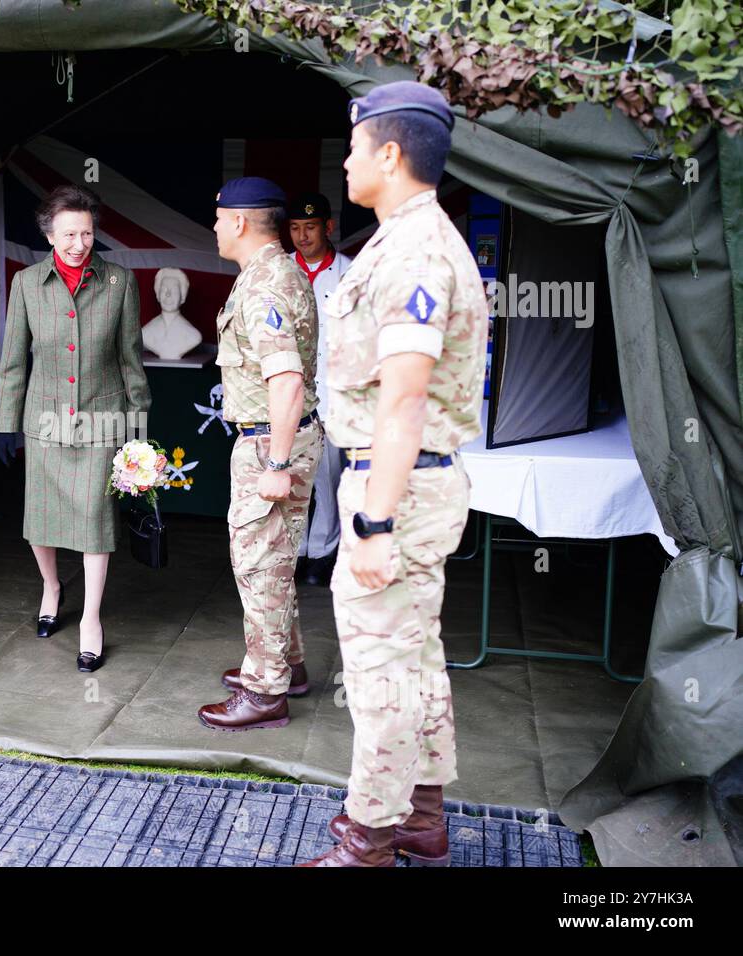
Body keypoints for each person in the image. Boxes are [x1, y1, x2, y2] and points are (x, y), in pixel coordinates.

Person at [303, 82, 489, 867]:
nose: (344, 162)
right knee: (414, 657)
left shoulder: (414, 248)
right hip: (409, 483)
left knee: (378, 670)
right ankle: (420, 815)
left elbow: (406, 395)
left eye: (352, 147)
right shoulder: (400, 238)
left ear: (389, 152)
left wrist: (374, 523)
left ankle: (367, 840)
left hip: (395, 489)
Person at [0, 184, 150, 673]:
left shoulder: (119, 283)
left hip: (102, 421)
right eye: (69, 234)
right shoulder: (25, 285)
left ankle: (89, 620)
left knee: (94, 523)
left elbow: (131, 361)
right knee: (40, 521)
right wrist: (7, 423)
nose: (79, 243)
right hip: (43, 421)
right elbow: (14, 363)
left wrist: (140, 428)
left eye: (86, 233)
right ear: (49, 234)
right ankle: (52, 586)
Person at [197, 177, 322, 732]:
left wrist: (274, 464)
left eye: (220, 218)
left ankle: (266, 691)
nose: (216, 227)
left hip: (270, 441)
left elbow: (287, 381)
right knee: (275, 563)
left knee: (258, 567)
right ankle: (287, 667)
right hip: (278, 437)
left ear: (240, 221)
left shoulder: (263, 285)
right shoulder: (276, 271)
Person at [287, 191, 353, 586]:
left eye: (310, 227)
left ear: (327, 227)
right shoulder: (280, 271)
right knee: (291, 478)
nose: (302, 236)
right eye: (295, 228)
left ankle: (323, 552)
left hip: (332, 394)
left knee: (328, 478)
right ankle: (293, 552)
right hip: (287, 394)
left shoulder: (350, 272)